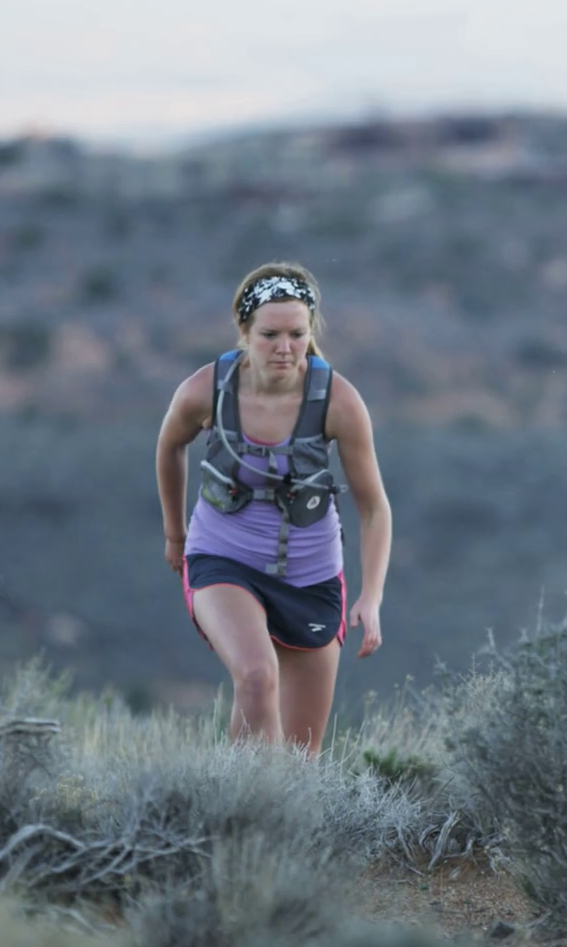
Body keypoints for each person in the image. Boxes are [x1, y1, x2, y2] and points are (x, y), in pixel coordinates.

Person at [154, 262, 391, 754]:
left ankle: (270, 820)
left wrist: (371, 596)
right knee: (258, 677)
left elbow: (374, 509)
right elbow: (169, 446)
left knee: (300, 762)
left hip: (311, 575)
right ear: (244, 332)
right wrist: (176, 534)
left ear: (311, 332)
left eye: (297, 334)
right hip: (224, 557)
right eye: (269, 335)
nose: (285, 348)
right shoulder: (205, 391)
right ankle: (233, 812)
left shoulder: (339, 402)